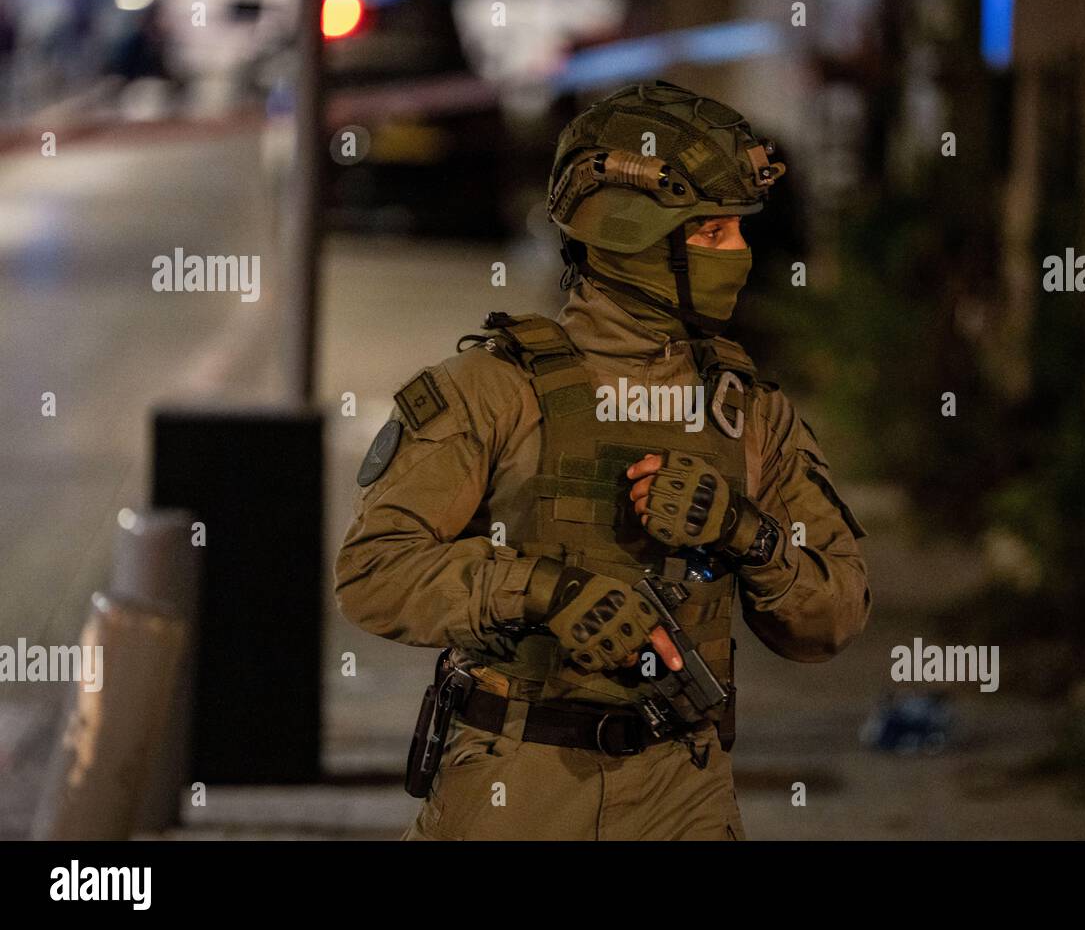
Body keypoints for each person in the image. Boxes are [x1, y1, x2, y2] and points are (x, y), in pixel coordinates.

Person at [335, 80, 871, 840]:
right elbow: (373, 573)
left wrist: (747, 534)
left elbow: (833, 618)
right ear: (633, 233)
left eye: (740, 232)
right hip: (517, 786)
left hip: (683, 792)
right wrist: (542, 591)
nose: (741, 255)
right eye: (714, 232)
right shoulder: (489, 393)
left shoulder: (747, 411)